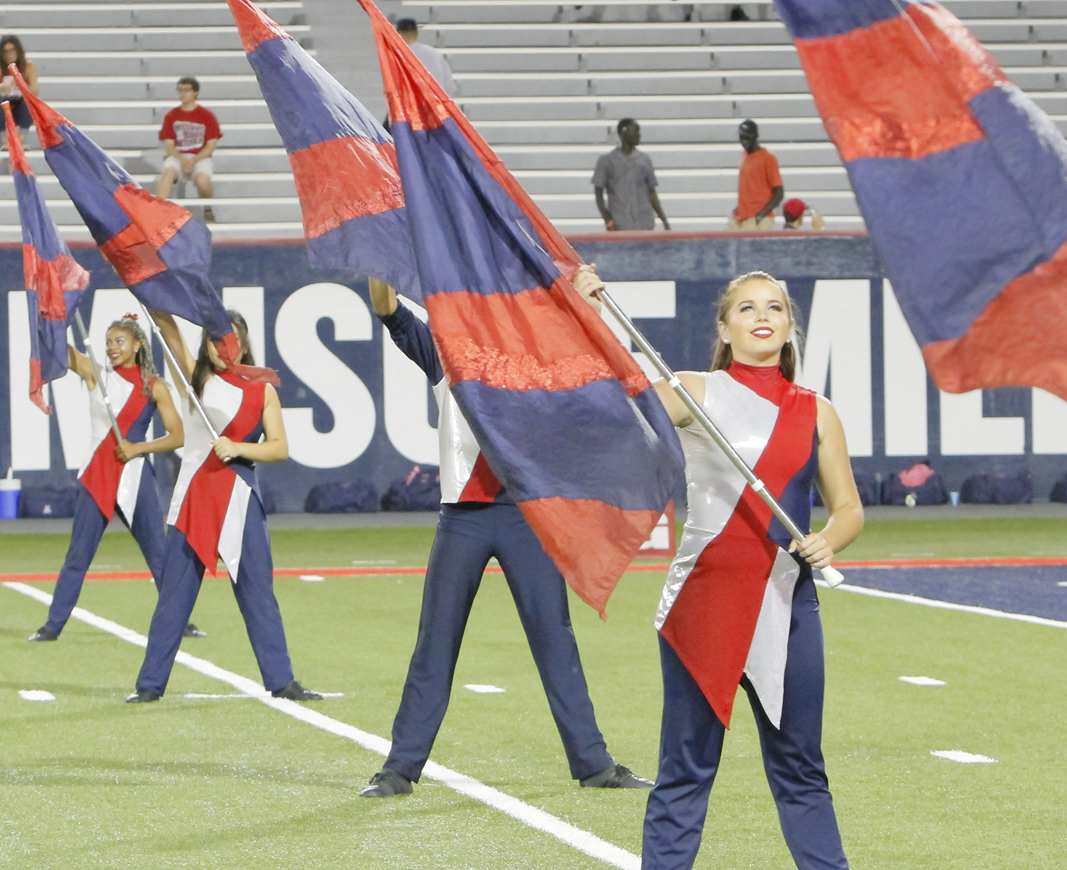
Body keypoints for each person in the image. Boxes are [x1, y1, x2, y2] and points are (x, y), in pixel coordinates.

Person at [358, 274, 651, 797]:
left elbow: (587, 364)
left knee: (554, 640)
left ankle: (594, 764)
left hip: (526, 517)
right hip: (463, 517)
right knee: (436, 644)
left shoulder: (539, 360)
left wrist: (586, 303)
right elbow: (387, 308)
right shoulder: (445, 351)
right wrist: (375, 254)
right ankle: (399, 769)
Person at [635, 270, 865, 868]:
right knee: (685, 770)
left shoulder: (819, 412)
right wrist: (586, 314)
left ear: (790, 326)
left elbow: (849, 509)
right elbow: (617, 413)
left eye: (774, 308)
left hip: (788, 603)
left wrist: (828, 541)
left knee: (800, 768)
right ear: (725, 327)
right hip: (705, 601)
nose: (761, 316)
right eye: (746, 308)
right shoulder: (693, 391)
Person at [129, 310, 322, 704]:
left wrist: (238, 448)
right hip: (193, 499)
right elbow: (168, 330)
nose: (221, 347)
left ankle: (282, 681)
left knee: (257, 592)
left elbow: (280, 448)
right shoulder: (195, 378)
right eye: (214, 340)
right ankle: (149, 685)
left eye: (229, 340)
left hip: (238, 498)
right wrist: (150, 287)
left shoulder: (263, 389)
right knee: (174, 599)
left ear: (244, 344)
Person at [27, 315, 195, 642]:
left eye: (119, 341)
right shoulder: (98, 377)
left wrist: (139, 448)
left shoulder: (154, 387)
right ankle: (52, 626)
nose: (112, 348)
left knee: (159, 553)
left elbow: (178, 436)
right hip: (97, 477)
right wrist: (47, 314)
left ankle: (181, 621)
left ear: (136, 344)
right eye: (108, 343)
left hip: (134, 477)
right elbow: (62, 350)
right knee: (78, 556)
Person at [155, 77, 221, 222]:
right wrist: (183, 159)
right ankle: (159, 213)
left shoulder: (207, 115)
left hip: (200, 156)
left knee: (202, 179)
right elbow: (169, 145)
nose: (182, 93)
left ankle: (208, 208)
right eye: (180, 90)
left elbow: (211, 145)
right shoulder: (171, 116)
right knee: (168, 173)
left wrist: (194, 160)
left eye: (186, 90)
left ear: (195, 92)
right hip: (179, 156)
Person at [593, 118, 670, 231]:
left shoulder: (644, 159)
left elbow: (652, 192)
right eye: (636, 131)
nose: (639, 135)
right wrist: (608, 220)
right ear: (624, 132)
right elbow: (598, 194)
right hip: (620, 224)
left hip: (644, 223)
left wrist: (663, 219)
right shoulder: (606, 161)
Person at [728, 120, 784, 230]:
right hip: (741, 217)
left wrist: (760, 216)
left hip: (757, 219)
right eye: (742, 138)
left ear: (756, 136)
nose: (745, 142)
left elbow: (779, 193)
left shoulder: (768, 158)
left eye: (748, 138)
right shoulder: (744, 155)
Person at [0, 35, 38, 146]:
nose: (9, 54)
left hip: (20, 105)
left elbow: (35, 91)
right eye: (5, 51)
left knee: (29, 101)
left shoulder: (28, 66)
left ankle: (21, 140)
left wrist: (22, 86)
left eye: (12, 50)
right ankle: (5, 140)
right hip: (2, 106)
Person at [397, 18, 456, 96]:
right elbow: (450, 87)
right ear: (416, 33)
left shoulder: (398, 56)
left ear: (398, 33)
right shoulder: (434, 53)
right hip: (435, 104)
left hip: (411, 105)